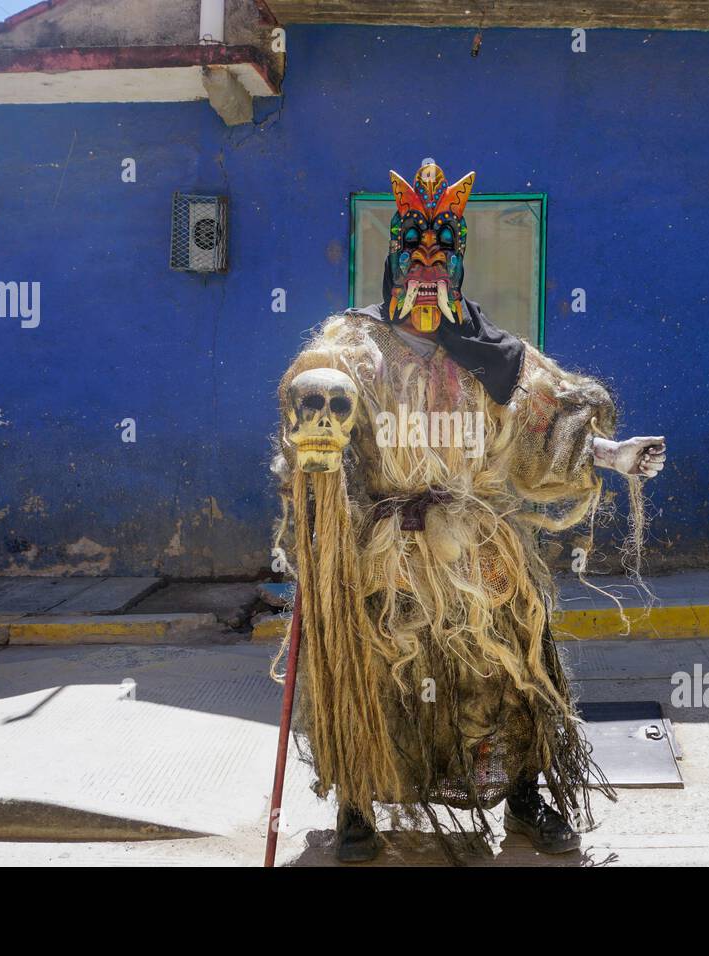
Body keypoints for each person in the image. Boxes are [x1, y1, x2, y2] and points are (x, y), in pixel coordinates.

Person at [272, 159, 666, 863]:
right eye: (415, 257)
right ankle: (358, 801)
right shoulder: (352, 349)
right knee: (375, 676)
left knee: (507, 676)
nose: (428, 271)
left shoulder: (490, 356)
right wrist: (313, 438)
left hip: (478, 551)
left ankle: (523, 794)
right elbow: (311, 433)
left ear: (456, 270)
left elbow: (544, 421)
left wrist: (610, 453)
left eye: (442, 259)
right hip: (383, 554)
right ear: (394, 262)